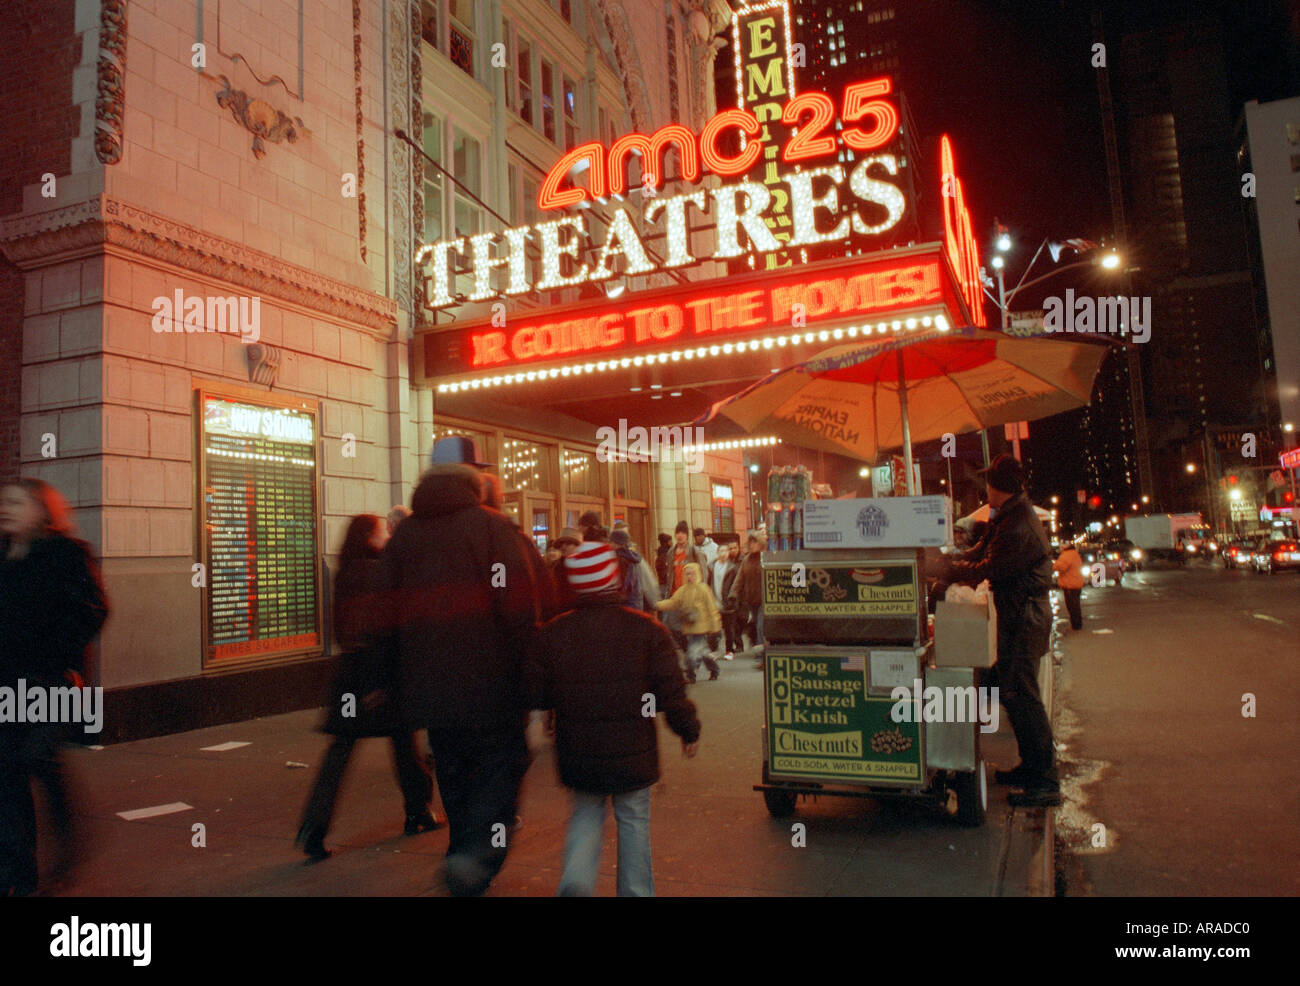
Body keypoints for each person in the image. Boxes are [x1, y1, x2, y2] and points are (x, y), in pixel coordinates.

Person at [382, 436, 541, 896]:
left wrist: (386, 680)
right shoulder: (492, 529)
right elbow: (518, 610)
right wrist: (532, 679)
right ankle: (475, 860)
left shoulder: (405, 536)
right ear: (473, 478)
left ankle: (459, 856)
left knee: (453, 770)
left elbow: (383, 614)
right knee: (501, 768)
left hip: (430, 692)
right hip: (492, 688)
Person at [526, 542, 700, 896]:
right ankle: (635, 891)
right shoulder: (647, 630)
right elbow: (670, 692)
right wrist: (688, 729)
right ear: (614, 579)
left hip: (579, 750)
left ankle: (576, 880)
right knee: (633, 821)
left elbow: (537, 695)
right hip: (634, 750)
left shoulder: (554, 633)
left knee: (586, 814)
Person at [297, 515, 439, 860]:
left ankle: (314, 827)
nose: (387, 536)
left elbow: (347, 630)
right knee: (405, 745)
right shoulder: (377, 575)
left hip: (349, 679)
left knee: (340, 752)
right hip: (379, 675)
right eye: (381, 531)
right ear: (368, 538)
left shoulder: (344, 573)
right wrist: (380, 680)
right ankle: (418, 811)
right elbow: (382, 630)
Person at [0, 479, 109, 896]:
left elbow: (93, 610)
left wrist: (56, 652)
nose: (6, 509)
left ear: (42, 511)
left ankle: (66, 847)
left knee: (38, 757)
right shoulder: (3, 556)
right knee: (7, 774)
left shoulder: (65, 554)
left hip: (51, 681)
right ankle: (16, 871)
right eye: (3, 502)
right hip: (7, 682)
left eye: (16, 502)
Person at [940, 454, 1060, 807]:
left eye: (989, 483)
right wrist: (952, 561)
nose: (985, 489)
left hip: (1026, 616)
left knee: (1021, 693)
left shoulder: (1018, 522)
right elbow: (980, 551)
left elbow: (991, 566)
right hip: (1018, 615)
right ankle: (1030, 766)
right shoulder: (1008, 515)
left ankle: (1044, 782)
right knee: (1010, 690)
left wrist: (951, 571)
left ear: (998, 487)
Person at [656, 562, 722, 682]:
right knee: (702, 651)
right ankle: (714, 669)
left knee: (692, 653)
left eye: (692, 573)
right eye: (687, 574)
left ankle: (690, 674)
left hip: (701, 628)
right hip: (688, 627)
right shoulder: (683, 590)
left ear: (697, 574)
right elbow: (673, 602)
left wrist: (715, 627)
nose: (689, 576)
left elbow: (712, 609)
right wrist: (658, 605)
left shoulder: (703, 589)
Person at [729, 531, 766, 664]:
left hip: (765, 599)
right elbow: (740, 578)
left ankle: (761, 654)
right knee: (757, 626)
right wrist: (733, 593)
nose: (752, 544)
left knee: (761, 626)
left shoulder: (765, 557)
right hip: (752, 600)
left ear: (761, 543)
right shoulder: (747, 560)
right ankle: (762, 649)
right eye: (751, 542)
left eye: (755, 541)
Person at [710, 542, 741, 659]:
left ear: (728, 553)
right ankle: (714, 650)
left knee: (729, 629)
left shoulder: (733, 568)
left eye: (725, 551)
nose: (723, 554)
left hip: (728, 603)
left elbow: (736, 585)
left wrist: (732, 600)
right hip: (715, 601)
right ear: (717, 553)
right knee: (714, 628)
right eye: (721, 551)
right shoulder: (712, 566)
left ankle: (729, 651)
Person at [1053, 543, 1086, 631]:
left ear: (1065, 547)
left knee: (1072, 606)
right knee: (1075, 605)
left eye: (1061, 545)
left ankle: (1076, 625)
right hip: (1076, 583)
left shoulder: (1067, 555)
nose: (1060, 547)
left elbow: (1061, 567)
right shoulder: (1074, 554)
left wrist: (1054, 564)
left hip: (1070, 585)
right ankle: (1077, 624)